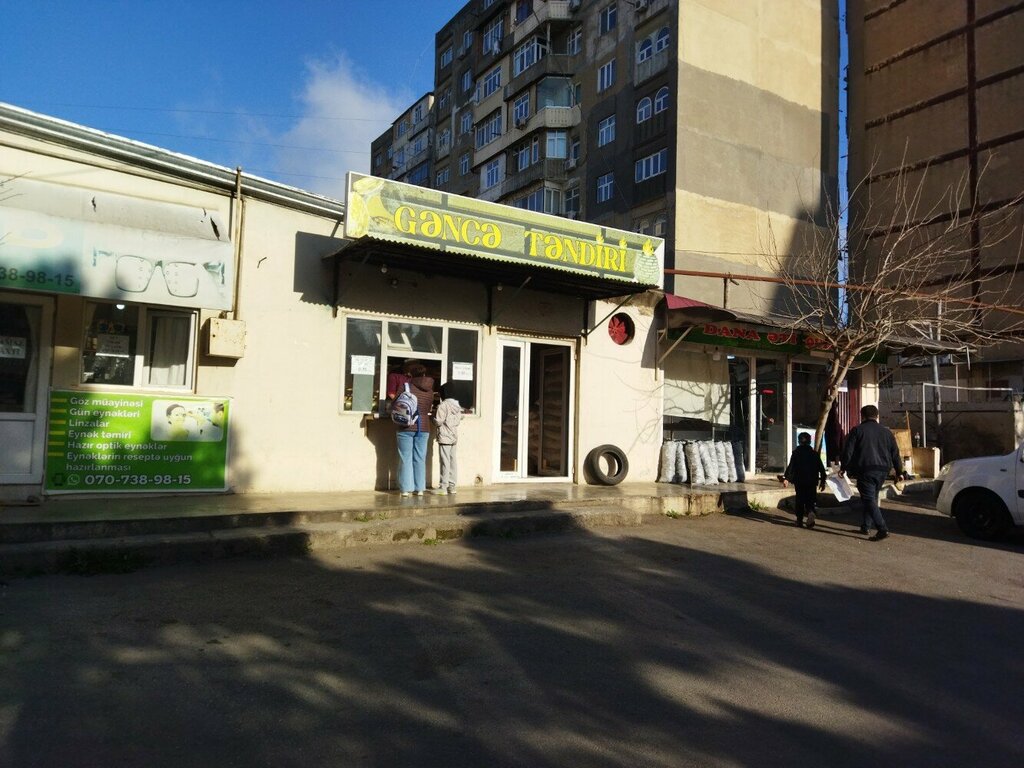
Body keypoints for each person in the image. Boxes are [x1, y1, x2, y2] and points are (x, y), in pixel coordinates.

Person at [840, 404, 906, 540]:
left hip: (866, 470)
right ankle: (865, 526)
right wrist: (899, 471)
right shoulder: (887, 432)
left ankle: (882, 529)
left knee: (868, 499)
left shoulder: (857, 430)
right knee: (872, 498)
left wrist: (843, 468)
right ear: (877, 416)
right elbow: (895, 453)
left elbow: (848, 451)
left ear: (862, 416)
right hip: (882, 471)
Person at [396, 363, 435, 498]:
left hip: (406, 426)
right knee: (420, 458)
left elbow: (396, 404)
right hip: (423, 427)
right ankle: (419, 489)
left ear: (410, 375)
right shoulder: (430, 391)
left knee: (405, 458)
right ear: (424, 375)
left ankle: (406, 489)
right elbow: (428, 409)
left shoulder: (406, 387)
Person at [782, 432, 827, 528]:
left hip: (800, 481)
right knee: (810, 499)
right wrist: (823, 481)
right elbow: (821, 468)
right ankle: (810, 512)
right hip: (811, 481)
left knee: (800, 500)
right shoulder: (814, 454)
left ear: (799, 441)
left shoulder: (796, 453)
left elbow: (791, 467)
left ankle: (799, 520)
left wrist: (786, 478)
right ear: (810, 441)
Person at [432, 383, 463, 495]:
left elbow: (438, 421)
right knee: (452, 461)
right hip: (454, 436)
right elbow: (459, 420)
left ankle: (443, 487)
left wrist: (433, 417)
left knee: (444, 461)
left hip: (444, 437)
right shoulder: (457, 406)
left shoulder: (443, 406)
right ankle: (452, 486)